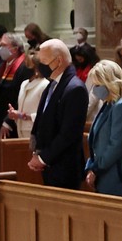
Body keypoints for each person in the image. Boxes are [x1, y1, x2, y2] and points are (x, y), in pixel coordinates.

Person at [28, 39, 89, 189]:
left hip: (65, 168)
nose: (40, 66)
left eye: (44, 61)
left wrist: (43, 158)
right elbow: (42, 120)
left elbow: (69, 134)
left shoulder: (75, 89)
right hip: (51, 166)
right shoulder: (52, 85)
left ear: (59, 61)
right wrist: (37, 151)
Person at [84, 60, 122, 198]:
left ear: (109, 83)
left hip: (117, 177)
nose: (95, 89)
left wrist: (96, 169)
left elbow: (116, 146)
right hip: (106, 173)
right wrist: (91, 166)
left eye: (98, 85)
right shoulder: (109, 104)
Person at [3, 50, 47, 143]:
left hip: (36, 132)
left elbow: (45, 114)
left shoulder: (45, 85)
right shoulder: (24, 84)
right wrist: (14, 113)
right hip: (21, 130)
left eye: (28, 65)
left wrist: (23, 116)